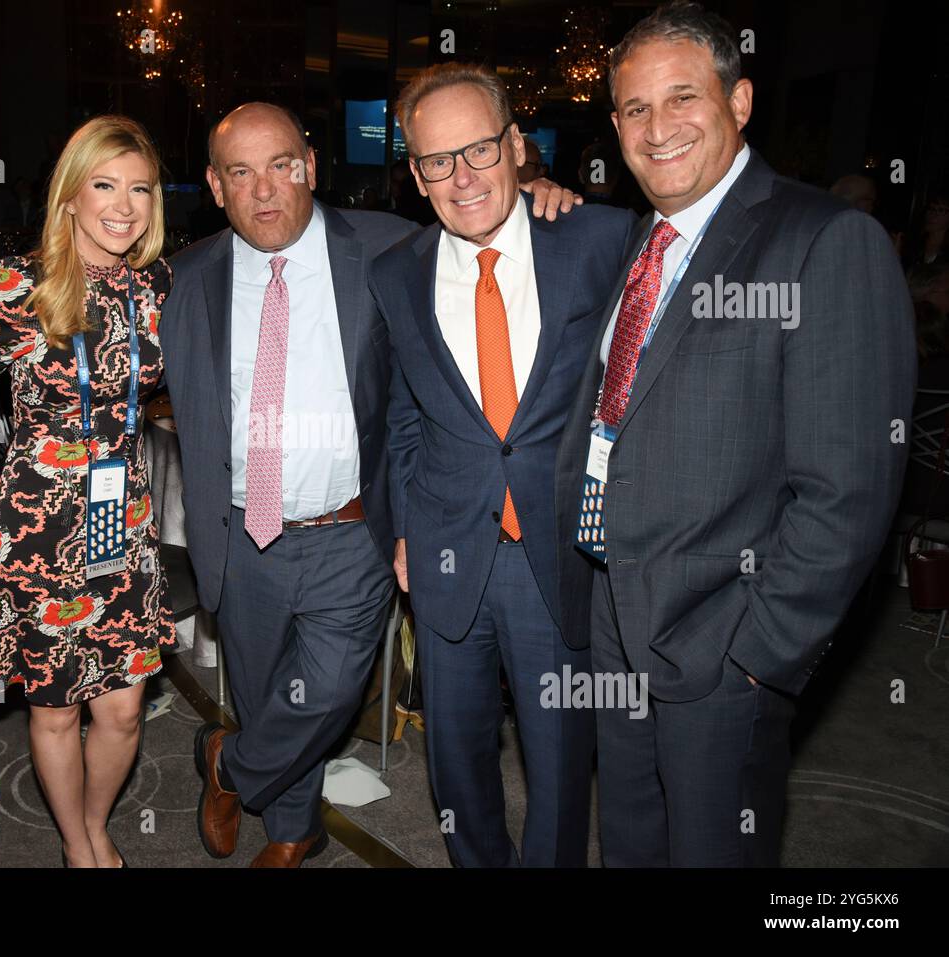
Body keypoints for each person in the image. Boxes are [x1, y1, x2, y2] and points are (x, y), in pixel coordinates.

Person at [163, 101, 579, 867]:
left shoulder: (392, 249)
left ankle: (229, 763)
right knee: (264, 694)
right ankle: (294, 829)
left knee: (323, 693)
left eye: (283, 166)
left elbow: (492, 230)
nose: (265, 191)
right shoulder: (185, 278)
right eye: (241, 174)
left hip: (351, 531)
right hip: (240, 532)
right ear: (215, 188)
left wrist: (544, 196)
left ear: (312, 167)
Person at [554, 1, 916, 866]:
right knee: (634, 838)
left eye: (684, 97)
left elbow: (850, 489)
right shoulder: (649, 239)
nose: (658, 127)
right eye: (635, 109)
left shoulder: (825, 241)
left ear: (741, 101)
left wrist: (759, 654)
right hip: (615, 605)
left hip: (723, 639)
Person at [369, 62, 634, 867]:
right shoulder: (395, 275)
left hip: (558, 551)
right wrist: (408, 527)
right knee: (456, 760)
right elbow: (405, 416)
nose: (463, 176)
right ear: (416, 175)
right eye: (437, 161)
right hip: (448, 549)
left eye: (480, 149)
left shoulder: (599, 239)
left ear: (518, 146)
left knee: (559, 762)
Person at [0, 115, 174, 869]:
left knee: (124, 710)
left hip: (122, 517)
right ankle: (79, 842)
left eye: (139, 188)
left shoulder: (157, 283)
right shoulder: (19, 285)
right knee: (57, 706)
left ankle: (96, 820)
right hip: (39, 526)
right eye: (104, 185)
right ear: (69, 195)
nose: (123, 205)